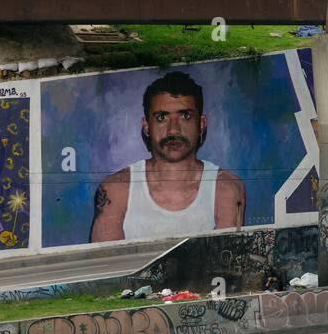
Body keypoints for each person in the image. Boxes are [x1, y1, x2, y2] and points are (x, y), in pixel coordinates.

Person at [90, 71, 245, 242]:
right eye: (162, 117)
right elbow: (107, 266)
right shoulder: (116, 190)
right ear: (147, 126)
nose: (173, 130)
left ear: (201, 124)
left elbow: (226, 265)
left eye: (185, 116)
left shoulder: (226, 189)